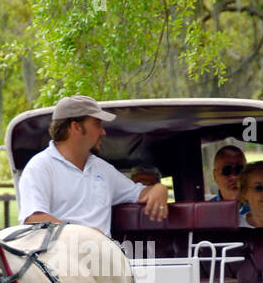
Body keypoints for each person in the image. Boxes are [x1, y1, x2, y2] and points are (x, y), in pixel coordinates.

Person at [18, 95, 169, 234]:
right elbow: (33, 218)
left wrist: (159, 188)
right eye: (97, 124)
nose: (102, 132)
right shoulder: (40, 166)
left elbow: (139, 193)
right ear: (76, 127)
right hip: (59, 260)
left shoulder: (103, 169)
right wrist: (83, 236)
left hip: (103, 258)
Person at [209, 145, 263, 221]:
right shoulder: (206, 212)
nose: (234, 176)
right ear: (215, 176)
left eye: (240, 169)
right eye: (227, 170)